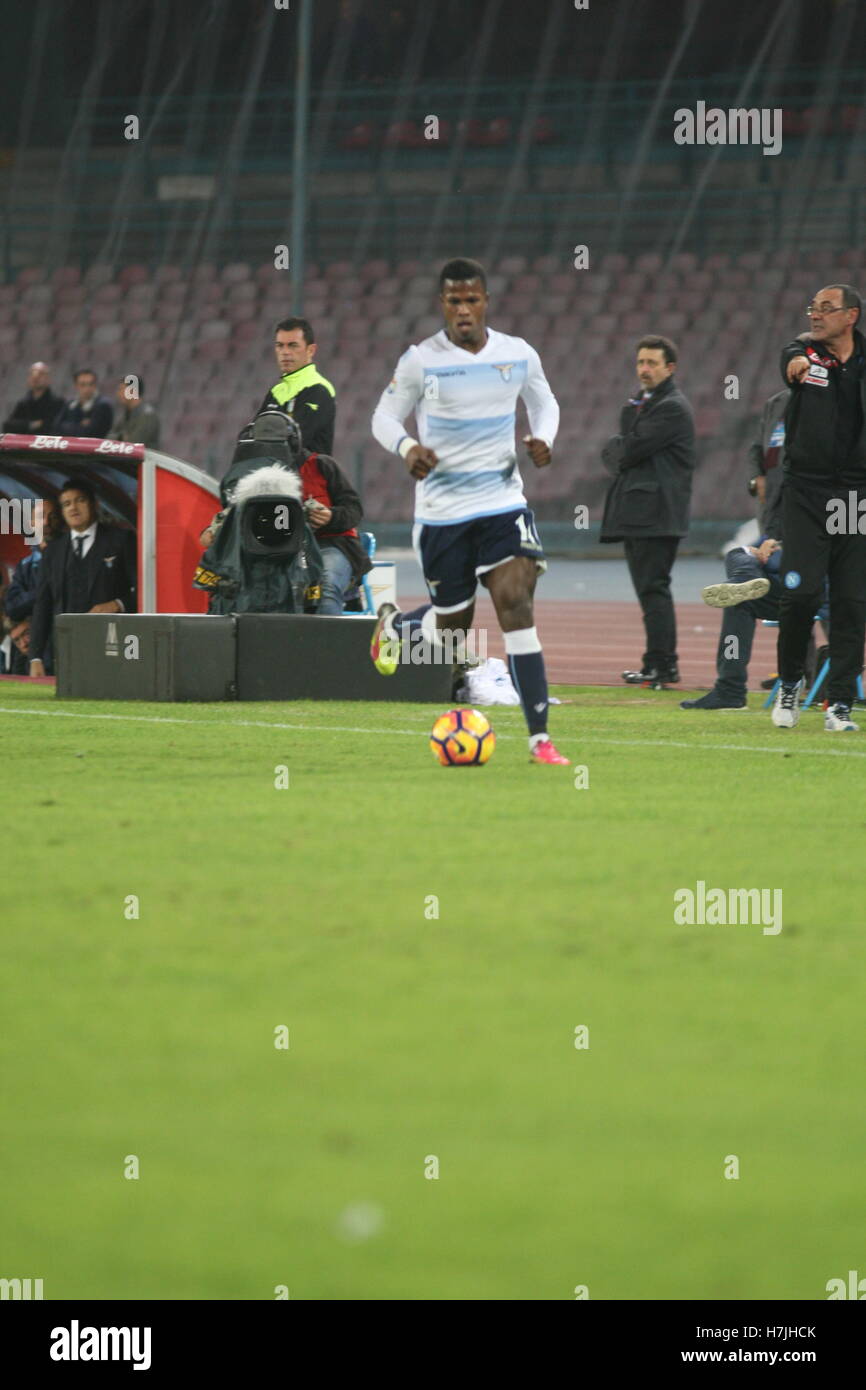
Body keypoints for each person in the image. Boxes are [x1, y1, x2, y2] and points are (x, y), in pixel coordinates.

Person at [369, 255, 568, 765]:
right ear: (442, 303)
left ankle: (539, 740)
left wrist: (542, 438)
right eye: (454, 300)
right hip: (442, 515)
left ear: (485, 302)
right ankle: (397, 629)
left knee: (516, 605)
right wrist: (408, 448)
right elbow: (383, 416)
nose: (463, 309)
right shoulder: (420, 360)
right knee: (453, 627)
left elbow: (545, 404)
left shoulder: (517, 354)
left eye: (471, 299)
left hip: (503, 504)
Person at [773, 284, 866, 733]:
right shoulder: (805, 354)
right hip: (807, 493)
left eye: (826, 309)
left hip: (853, 497)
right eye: (812, 307)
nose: (816, 314)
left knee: (851, 600)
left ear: (851, 316)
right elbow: (792, 357)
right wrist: (797, 362)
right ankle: (791, 680)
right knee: (802, 593)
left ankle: (840, 703)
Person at [600, 335, 696, 687]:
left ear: (670, 368)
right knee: (650, 590)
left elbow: (628, 450)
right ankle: (656, 662)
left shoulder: (670, 407)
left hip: (656, 514)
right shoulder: (642, 403)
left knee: (653, 590)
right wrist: (622, 446)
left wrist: (620, 446)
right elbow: (626, 448)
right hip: (643, 514)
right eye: (641, 362)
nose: (644, 369)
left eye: (652, 363)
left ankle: (664, 666)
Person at [28, 478, 136, 678]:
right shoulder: (53, 551)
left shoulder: (121, 540)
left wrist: (118, 604)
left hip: (111, 643)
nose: (73, 508)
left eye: (80, 500)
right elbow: (42, 604)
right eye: (67, 504)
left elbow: (143, 590)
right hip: (65, 647)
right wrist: (36, 657)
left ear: (94, 504)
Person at [258, 318, 336, 457]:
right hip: (273, 474)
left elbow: (294, 441)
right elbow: (251, 436)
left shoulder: (320, 389)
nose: (285, 352)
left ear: (311, 350)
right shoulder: (276, 392)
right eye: (280, 345)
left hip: (306, 477)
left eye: (293, 345)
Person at [4, 497, 65, 675]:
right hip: (33, 650)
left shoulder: (72, 557)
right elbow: (12, 607)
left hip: (65, 644)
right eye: (40, 517)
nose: (46, 522)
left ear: (61, 521)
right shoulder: (27, 565)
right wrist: (44, 592)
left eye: (52, 516)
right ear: (31, 523)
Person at [2, 361, 64, 433]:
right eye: (32, 374)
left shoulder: (57, 402)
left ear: (48, 379)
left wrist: (24, 426)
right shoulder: (23, 403)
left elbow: (54, 426)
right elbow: (8, 426)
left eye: (41, 374)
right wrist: (31, 424)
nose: (35, 377)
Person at [54, 369, 113, 439]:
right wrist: (80, 425)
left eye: (91, 384)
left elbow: (92, 432)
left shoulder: (103, 405)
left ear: (95, 385)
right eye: (83, 385)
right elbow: (56, 427)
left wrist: (68, 426)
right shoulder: (70, 403)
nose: (87, 388)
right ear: (76, 386)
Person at [107, 375, 161, 449]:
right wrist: (121, 437)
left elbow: (132, 446)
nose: (118, 393)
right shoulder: (127, 413)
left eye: (121, 389)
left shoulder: (147, 416)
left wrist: (119, 438)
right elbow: (108, 439)